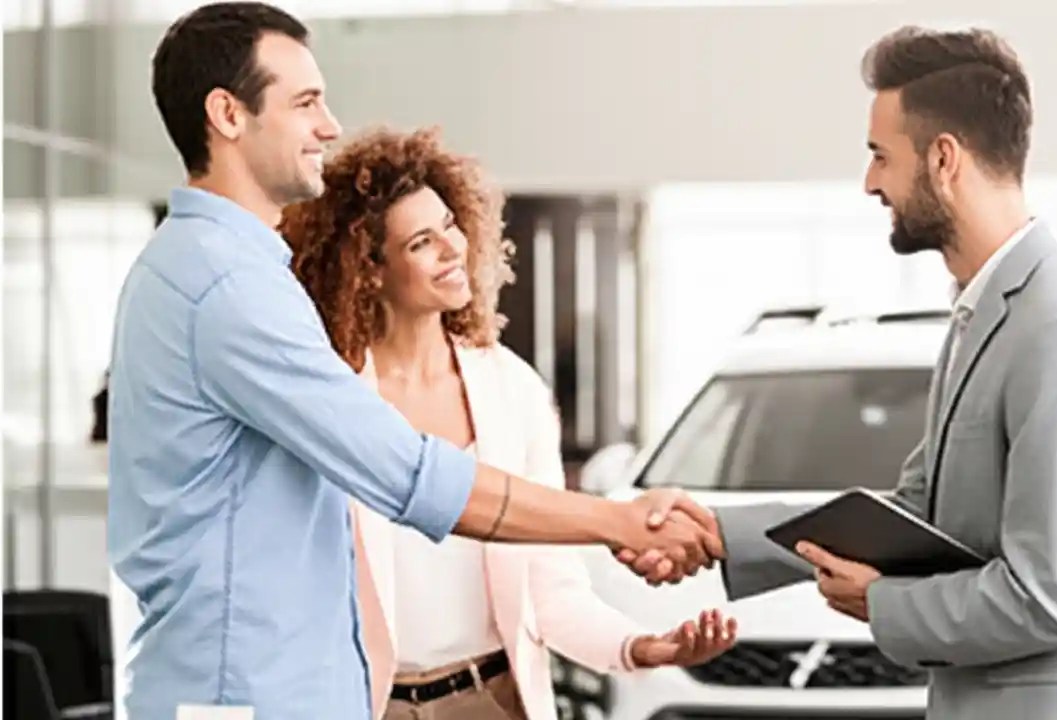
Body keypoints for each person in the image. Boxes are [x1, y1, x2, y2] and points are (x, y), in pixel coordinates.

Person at [106, 4, 720, 719]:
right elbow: (407, 473)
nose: (329, 127)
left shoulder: (221, 271)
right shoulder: (228, 288)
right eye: (305, 103)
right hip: (246, 700)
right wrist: (617, 521)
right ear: (228, 114)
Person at [618, 26, 1057, 720]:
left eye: (880, 157)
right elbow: (915, 515)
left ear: (943, 160)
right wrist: (724, 532)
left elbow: (1052, 598)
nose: (870, 182)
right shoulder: (986, 317)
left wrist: (882, 603)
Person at [281, 126, 739, 720]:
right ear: (367, 269)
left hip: (493, 702)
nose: (453, 249)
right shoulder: (331, 400)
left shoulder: (510, 387)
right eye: (422, 241)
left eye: (450, 225)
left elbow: (551, 586)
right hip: (363, 706)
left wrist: (639, 647)